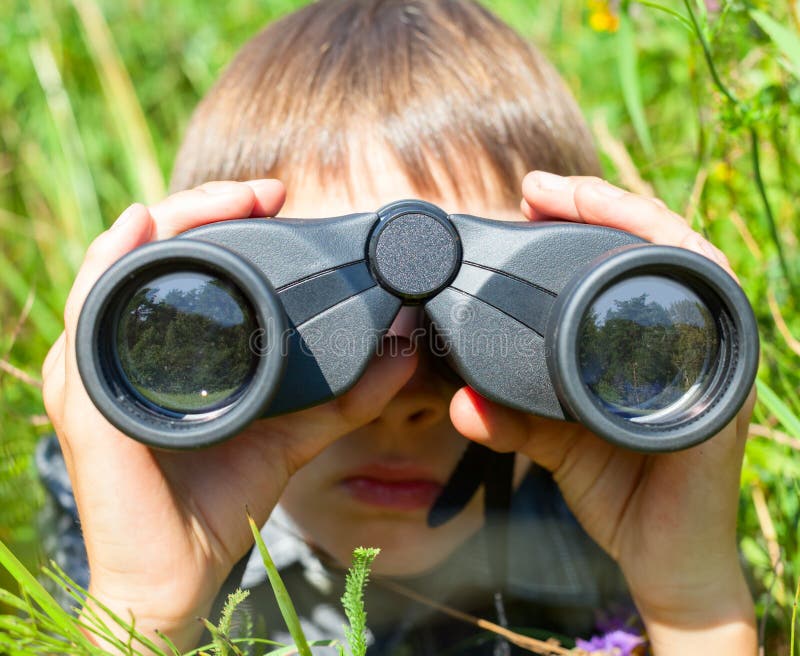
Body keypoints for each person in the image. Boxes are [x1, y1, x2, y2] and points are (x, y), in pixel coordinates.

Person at [39, 0, 758, 654]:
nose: (401, 398)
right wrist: (145, 610)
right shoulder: (136, 506)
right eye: (333, 336)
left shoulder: (601, 529)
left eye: (462, 342)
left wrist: (689, 595)